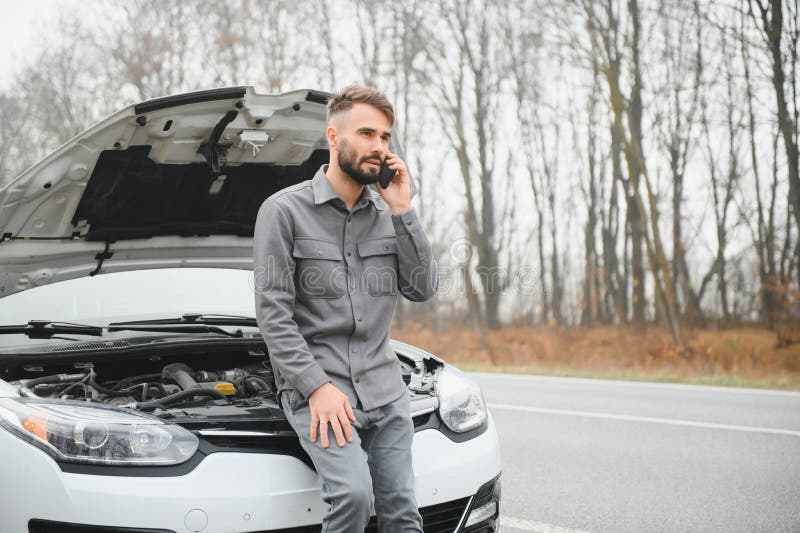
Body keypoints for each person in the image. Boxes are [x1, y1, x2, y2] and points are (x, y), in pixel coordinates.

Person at [253, 85, 437, 532]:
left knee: (402, 512)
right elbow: (273, 315)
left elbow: (422, 289)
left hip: (385, 391)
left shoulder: (389, 214)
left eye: (385, 137)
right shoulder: (283, 211)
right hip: (321, 390)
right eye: (367, 133)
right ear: (333, 137)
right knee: (353, 499)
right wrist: (316, 388)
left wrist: (403, 209)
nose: (379, 147)